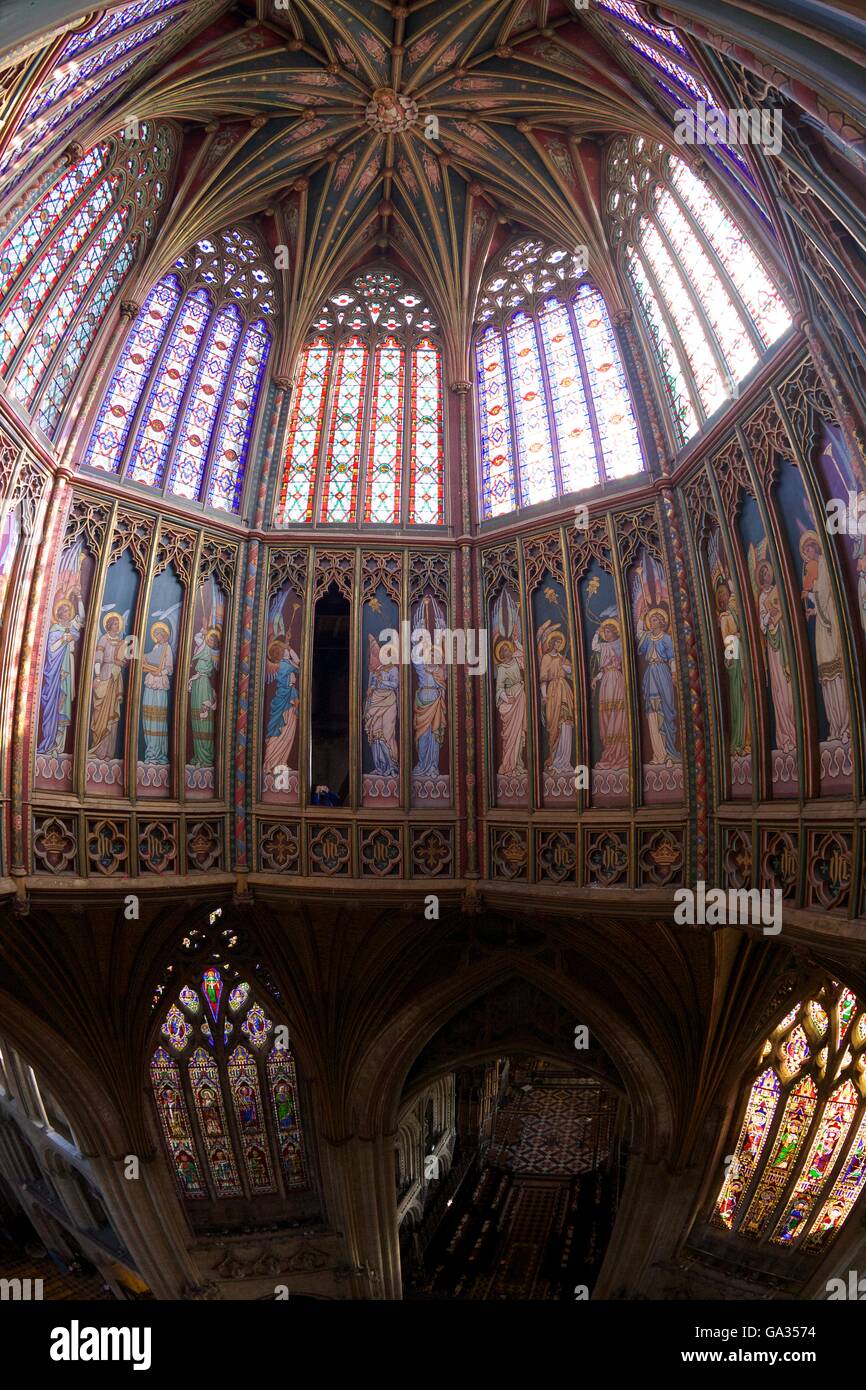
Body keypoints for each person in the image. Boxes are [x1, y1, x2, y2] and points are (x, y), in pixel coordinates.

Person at [38, 592, 85, 755]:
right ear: (59, 613)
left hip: (69, 666)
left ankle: (60, 745)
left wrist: (80, 599)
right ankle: (51, 742)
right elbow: (51, 649)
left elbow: (83, 618)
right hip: (57, 669)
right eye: (64, 611)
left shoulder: (72, 626)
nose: (68, 613)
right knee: (57, 701)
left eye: (69, 610)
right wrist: (64, 639)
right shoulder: (55, 629)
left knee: (66, 703)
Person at [636, 606, 679, 763]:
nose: (651, 623)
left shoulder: (666, 638)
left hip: (662, 672)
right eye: (650, 620)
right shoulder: (648, 637)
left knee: (665, 709)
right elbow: (639, 635)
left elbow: (672, 657)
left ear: (661, 622)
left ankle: (669, 752)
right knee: (652, 712)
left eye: (654, 620)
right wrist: (641, 617)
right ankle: (658, 754)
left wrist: (674, 673)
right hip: (651, 674)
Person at [89, 611, 127, 759]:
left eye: (118, 624)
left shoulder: (121, 642)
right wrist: (97, 677)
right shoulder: (103, 639)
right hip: (105, 674)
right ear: (109, 625)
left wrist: (121, 662)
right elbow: (98, 659)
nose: (117, 626)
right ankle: (98, 748)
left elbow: (124, 660)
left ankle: (108, 752)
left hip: (116, 678)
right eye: (114, 624)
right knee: (101, 713)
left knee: (113, 712)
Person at [141, 620, 174, 764]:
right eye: (155, 635)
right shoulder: (156, 647)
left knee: (158, 717)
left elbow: (169, 668)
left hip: (160, 682)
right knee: (148, 715)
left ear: (164, 635)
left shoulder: (167, 648)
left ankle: (158, 753)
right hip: (151, 681)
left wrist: (159, 673)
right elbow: (149, 662)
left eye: (158, 634)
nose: (157, 637)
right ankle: (150, 751)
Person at [188, 626, 222, 766]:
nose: (210, 641)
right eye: (210, 638)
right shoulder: (204, 647)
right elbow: (197, 639)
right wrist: (202, 631)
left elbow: (198, 643)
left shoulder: (209, 652)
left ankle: (205, 755)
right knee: (196, 718)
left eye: (214, 640)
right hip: (198, 683)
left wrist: (202, 633)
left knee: (204, 718)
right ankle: (199, 755)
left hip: (203, 684)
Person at [493, 634, 526, 775]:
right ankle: (509, 765)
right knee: (511, 733)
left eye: (509, 648)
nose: (509, 651)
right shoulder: (501, 668)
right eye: (505, 650)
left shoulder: (517, 660)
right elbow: (499, 688)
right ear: (501, 654)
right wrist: (507, 699)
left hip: (520, 695)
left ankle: (518, 764)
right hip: (511, 698)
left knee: (519, 731)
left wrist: (517, 640)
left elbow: (524, 654)